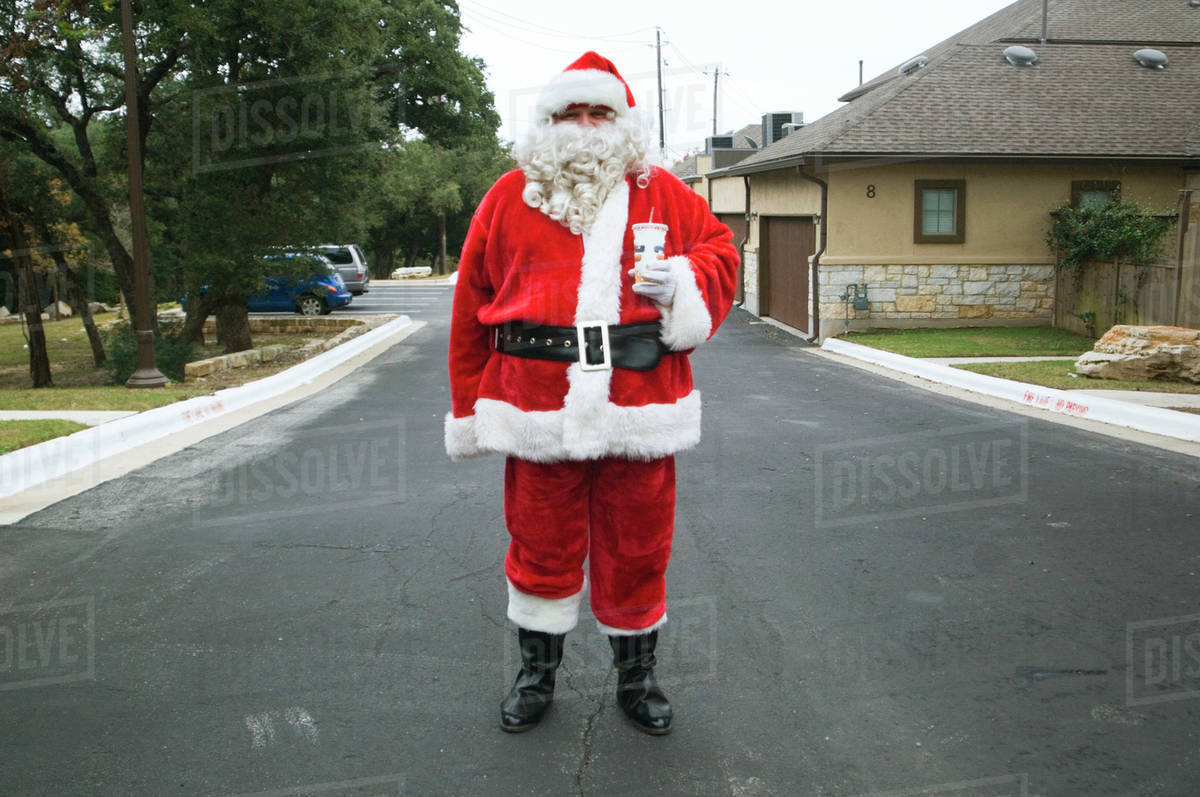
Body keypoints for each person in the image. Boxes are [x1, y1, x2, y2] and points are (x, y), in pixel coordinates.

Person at [445, 51, 739, 735]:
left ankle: (638, 680)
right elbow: (470, 304)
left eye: (597, 112)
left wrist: (687, 280)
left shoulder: (666, 193)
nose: (583, 126)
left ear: (621, 121)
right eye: (569, 113)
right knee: (539, 544)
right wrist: (467, 410)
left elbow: (723, 250)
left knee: (638, 545)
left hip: (641, 406)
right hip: (538, 406)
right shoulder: (506, 196)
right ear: (547, 122)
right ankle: (535, 674)